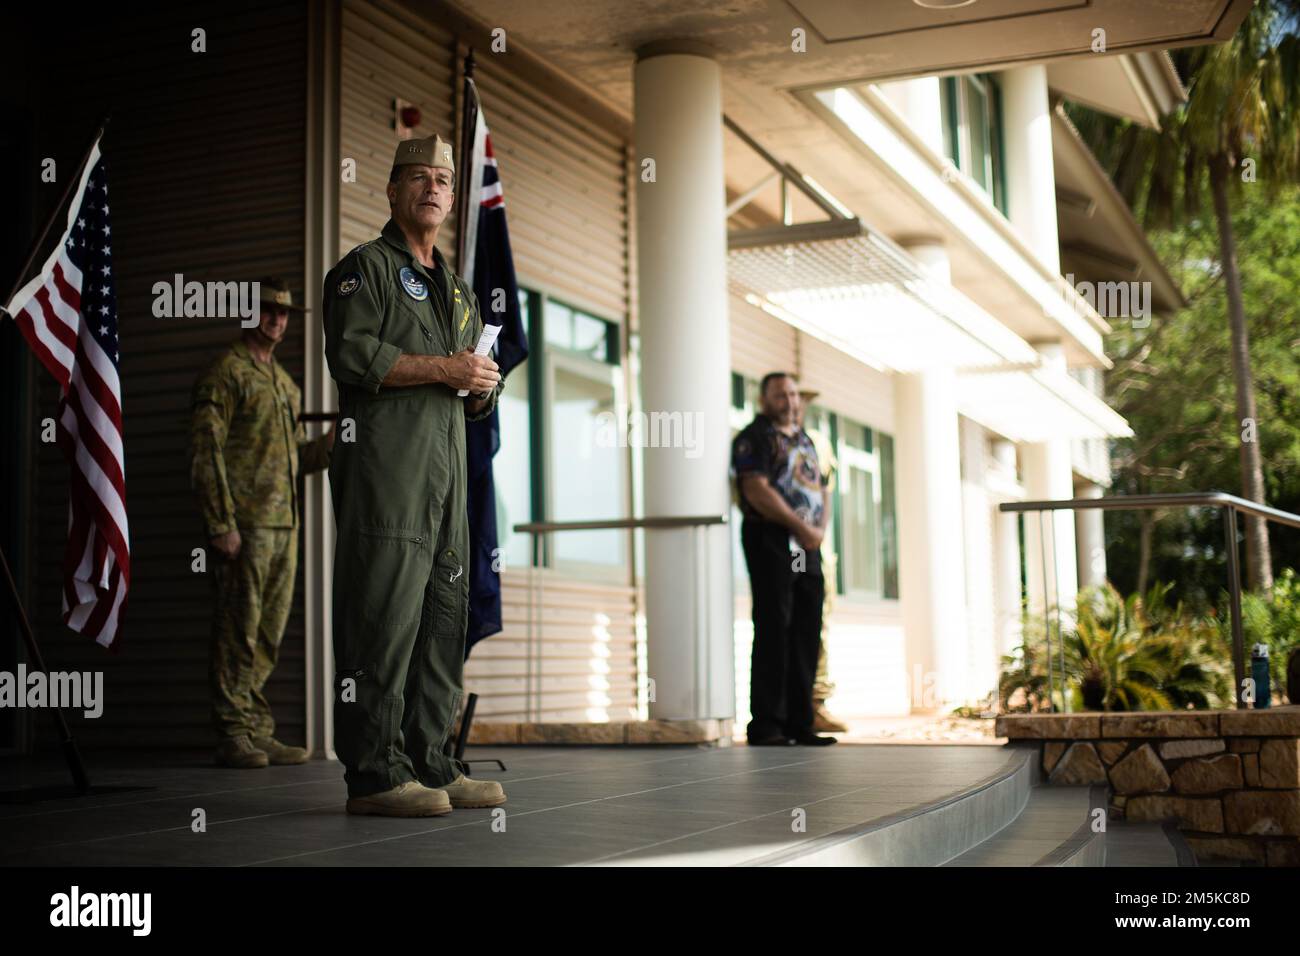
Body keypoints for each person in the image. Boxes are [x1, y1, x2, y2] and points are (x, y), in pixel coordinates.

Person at [322, 133, 507, 817]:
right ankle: (374, 774)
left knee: (440, 623)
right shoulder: (363, 269)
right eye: (418, 177)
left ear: (454, 198)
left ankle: (430, 762)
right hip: (389, 474)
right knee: (382, 619)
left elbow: (469, 386)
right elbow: (353, 355)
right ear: (394, 189)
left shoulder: (455, 289)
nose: (432, 188)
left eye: (443, 180)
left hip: (448, 476)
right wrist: (446, 369)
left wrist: (481, 381)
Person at [191, 278, 334, 769]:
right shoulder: (226, 373)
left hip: (284, 528)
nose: (277, 319)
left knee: (268, 633)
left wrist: (338, 441)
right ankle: (232, 733)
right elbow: (205, 450)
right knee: (238, 629)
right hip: (244, 526)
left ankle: (257, 729)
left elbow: (298, 457)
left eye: (285, 313)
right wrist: (220, 522)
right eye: (268, 311)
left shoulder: (285, 383)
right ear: (248, 314)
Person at [731, 372, 836, 746]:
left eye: (793, 394)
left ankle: (799, 723)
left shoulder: (806, 439)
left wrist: (817, 531)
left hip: (805, 546)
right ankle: (767, 726)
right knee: (775, 625)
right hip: (772, 539)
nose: (789, 401)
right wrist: (799, 527)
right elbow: (755, 489)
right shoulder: (753, 438)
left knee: (806, 626)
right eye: (780, 395)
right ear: (764, 400)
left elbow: (822, 488)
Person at [796, 387, 849, 735]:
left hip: (815, 546)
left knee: (819, 623)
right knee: (790, 623)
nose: (796, 406)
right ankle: (798, 705)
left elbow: (825, 491)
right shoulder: (767, 441)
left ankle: (816, 702)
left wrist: (819, 532)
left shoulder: (816, 442)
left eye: (801, 400)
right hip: (785, 544)